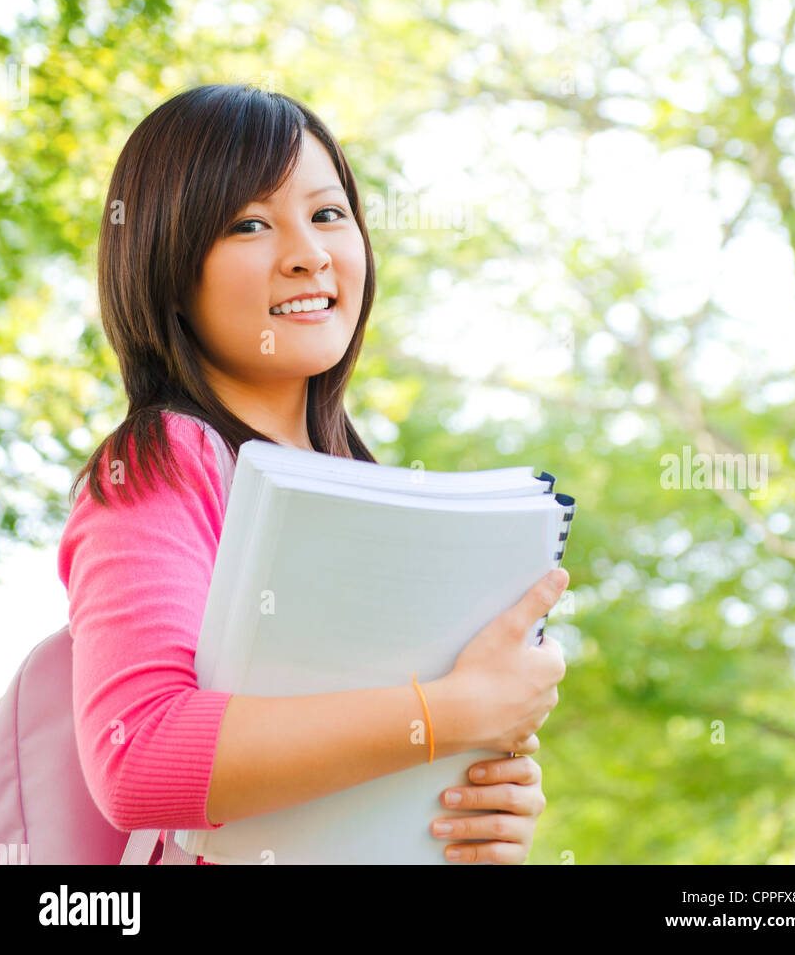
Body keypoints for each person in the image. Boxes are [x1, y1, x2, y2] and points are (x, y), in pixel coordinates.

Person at [58, 83, 568, 865]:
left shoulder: (371, 492)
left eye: (328, 214)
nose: (308, 253)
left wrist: (475, 815)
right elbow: (139, 755)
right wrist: (447, 714)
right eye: (250, 224)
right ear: (165, 261)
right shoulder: (167, 461)